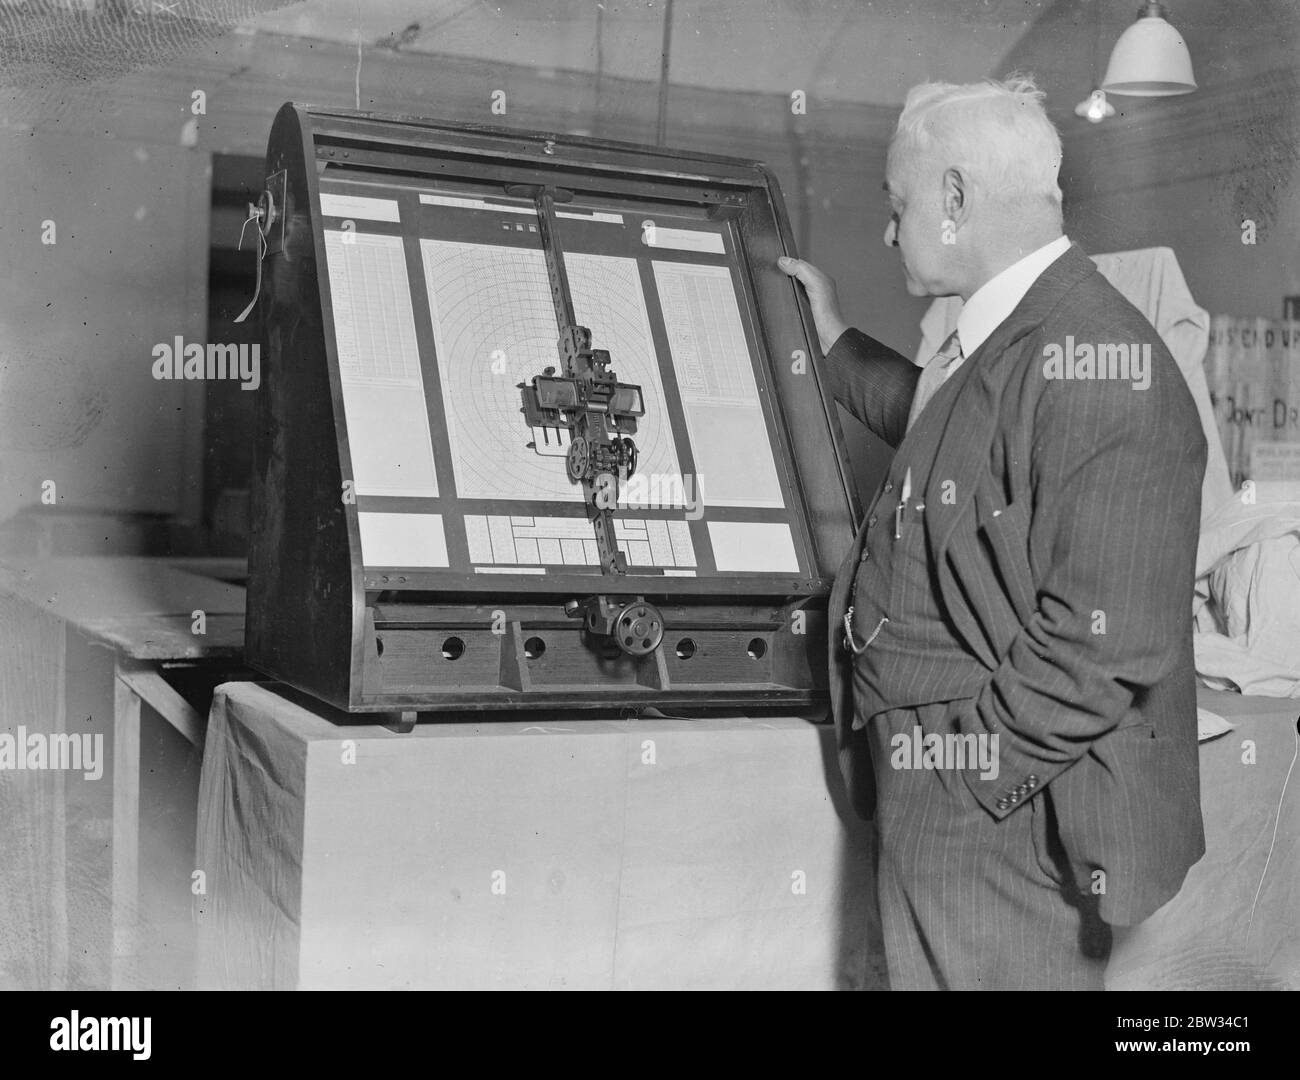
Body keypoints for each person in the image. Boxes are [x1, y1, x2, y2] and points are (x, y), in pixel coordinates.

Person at [779, 75, 1206, 990]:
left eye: (898, 206)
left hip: (1003, 818)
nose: (890, 230)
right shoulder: (1023, 329)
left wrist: (965, 784)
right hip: (952, 786)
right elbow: (958, 440)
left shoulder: (1107, 364)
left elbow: (1107, 649)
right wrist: (834, 341)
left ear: (956, 197)